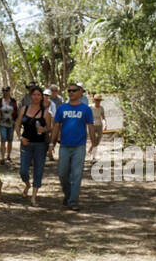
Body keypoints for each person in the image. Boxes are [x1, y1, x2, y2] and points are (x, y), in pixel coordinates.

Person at [48, 80, 98, 211]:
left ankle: (73, 201)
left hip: (79, 146)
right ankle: (68, 194)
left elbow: (91, 127)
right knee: (62, 173)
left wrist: (94, 143)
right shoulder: (62, 109)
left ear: (80, 92)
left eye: (73, 90)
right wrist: (51, 143)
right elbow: (56, 127)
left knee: (77, 174)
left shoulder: (85, 109)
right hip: (64, 146)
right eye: (69, 91)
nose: (71, 93)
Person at [19, 83, 50, 207]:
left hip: (40, 145)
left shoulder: (46, 112)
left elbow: (50, 127)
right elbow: (17, 125)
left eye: (39, 95)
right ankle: (27, 184)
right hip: (26, 143)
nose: (36, 97)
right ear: (30, 96)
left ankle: (33, 197)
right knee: (23, 171)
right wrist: (20, 137)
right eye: (34, 95)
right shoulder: (24, 109)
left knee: (38, 170)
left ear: (42, 97)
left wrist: (44, 130)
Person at [0, 87, 19, 164]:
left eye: (7, 90)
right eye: (3, 90)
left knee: (10, 140)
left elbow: (16, 111)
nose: (5, 92)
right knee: (3, 139)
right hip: (1, 123)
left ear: (9, 91)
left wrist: (17, 121)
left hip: (11, 123)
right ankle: (3, 157)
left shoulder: (13, 101)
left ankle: (9, 156)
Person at [89, 93, 107, 160]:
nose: (98, 101)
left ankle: (91, 149)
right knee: (93, 140)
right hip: (91, 125)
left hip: (99, 124)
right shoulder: (90, 107)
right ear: (94, 100)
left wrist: (105, 125)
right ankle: (93, 157)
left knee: (98, 140)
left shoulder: (101, 108)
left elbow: (103, 117)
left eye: (99, 100)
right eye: (97, 100)